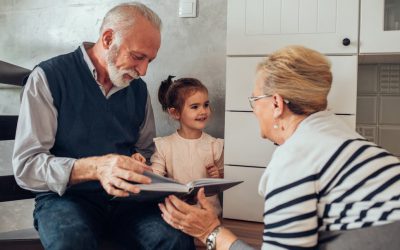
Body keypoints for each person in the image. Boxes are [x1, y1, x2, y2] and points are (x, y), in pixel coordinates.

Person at [158, 45, 400, 250]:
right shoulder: (339, 134)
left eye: (255, 100)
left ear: (276, 103)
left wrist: (210, 232)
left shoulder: (294, 160)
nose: (254, 110)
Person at [12, 2, 194, 250]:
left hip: (127, 202)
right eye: (138, 57)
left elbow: (146, 150)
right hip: (66, 199)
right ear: (108, 39)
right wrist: (96, 168)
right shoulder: (48, 77)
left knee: (176, 239)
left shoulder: (138, 91)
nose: (143, 70)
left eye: (149, 60)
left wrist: (140, 162)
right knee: (71, 242)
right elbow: (27, 166)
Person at [138, 75, 224, 214]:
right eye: (195, 107)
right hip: (178, 213)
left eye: (206, 105)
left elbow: (223, 179)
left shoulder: (214, 145)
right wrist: (141, 166)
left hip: (209, 214)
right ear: (175, 113)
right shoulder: (164, 146)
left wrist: (217, 176)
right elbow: (155, 177)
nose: (203, 111)